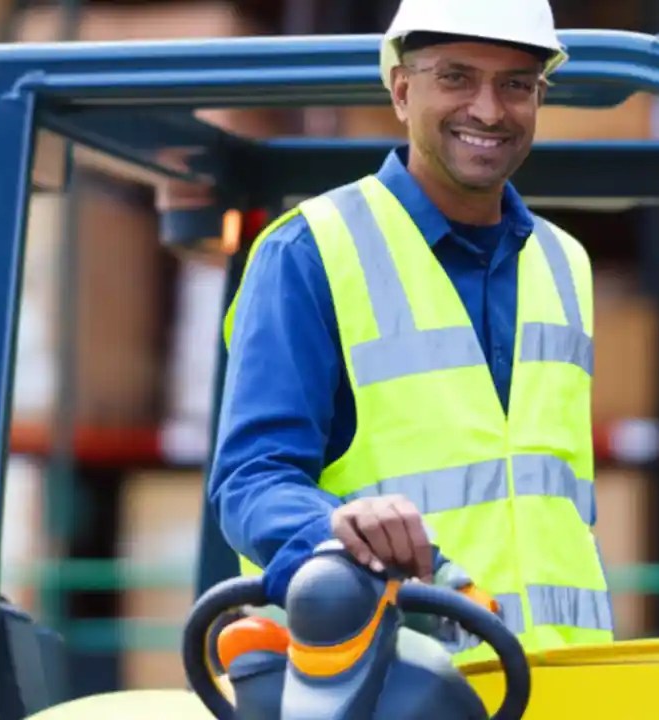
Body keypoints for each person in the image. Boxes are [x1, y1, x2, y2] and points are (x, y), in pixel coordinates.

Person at [209, 0, 614, 664]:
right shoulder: (312, 252)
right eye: (456, 77)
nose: (489, 110)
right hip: (388, 684)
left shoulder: (565, 263)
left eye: (516, 84)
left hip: (562, 684)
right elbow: (252, 482)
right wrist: (335, 533)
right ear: (401, 90)